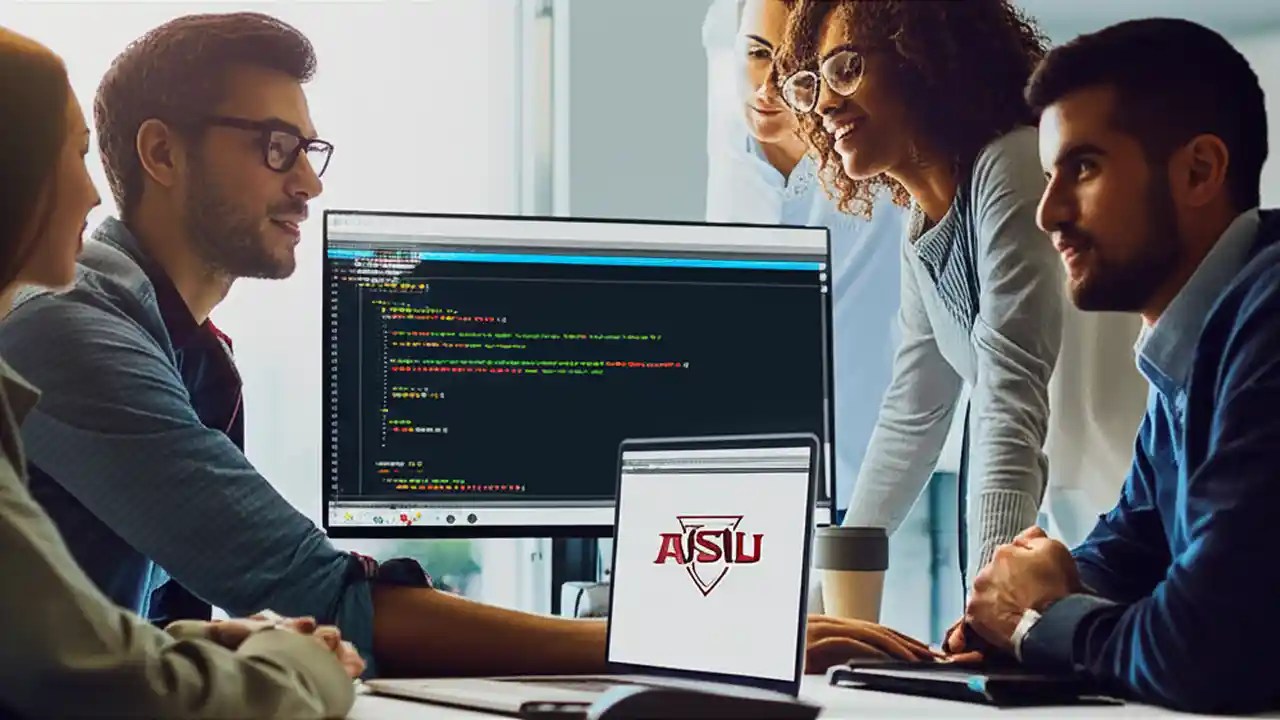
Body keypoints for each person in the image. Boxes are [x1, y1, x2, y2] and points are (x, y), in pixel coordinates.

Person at [0, 11, 936, 681]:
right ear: (162, 155)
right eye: (276, 146)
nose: (308, 188)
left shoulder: (183, 350)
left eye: (310, 153)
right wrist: (706, 645)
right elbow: (325, 593)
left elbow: (179, 619)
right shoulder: (72, 333)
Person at [0, 25, 359, 718]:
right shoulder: (61, 330)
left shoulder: (178, 348)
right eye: (70, 156)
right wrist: (292, 660)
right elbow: (81, 676)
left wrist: (200, 642)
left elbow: (41, 641)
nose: (92, 193)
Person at [948, 18, 1280, 714]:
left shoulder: (1269, 322)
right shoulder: (1193, 341)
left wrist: (1040, 624)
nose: (1048, 212)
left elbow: (1210, 648)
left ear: (1199, 171)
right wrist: (1004, 604)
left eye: (1084, 167)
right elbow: (1124, 557)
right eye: (1047, 176)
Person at [775, 0, 1148, 584]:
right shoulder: (920, 228)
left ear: (921, 60)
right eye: (810, 83)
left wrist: (988, 598)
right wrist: (824, 597)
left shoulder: (1014, 164)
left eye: (846, 68)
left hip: (1157, 523)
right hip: (1097, 529)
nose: (824, 102)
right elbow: (912, 415)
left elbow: (1011, 385)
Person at [702, 0, 906, 533]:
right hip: (738, 465)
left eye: (792, 64)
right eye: (754, 54)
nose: (766, 86)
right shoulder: (729, 144)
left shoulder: (876, 156)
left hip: (865, 477)